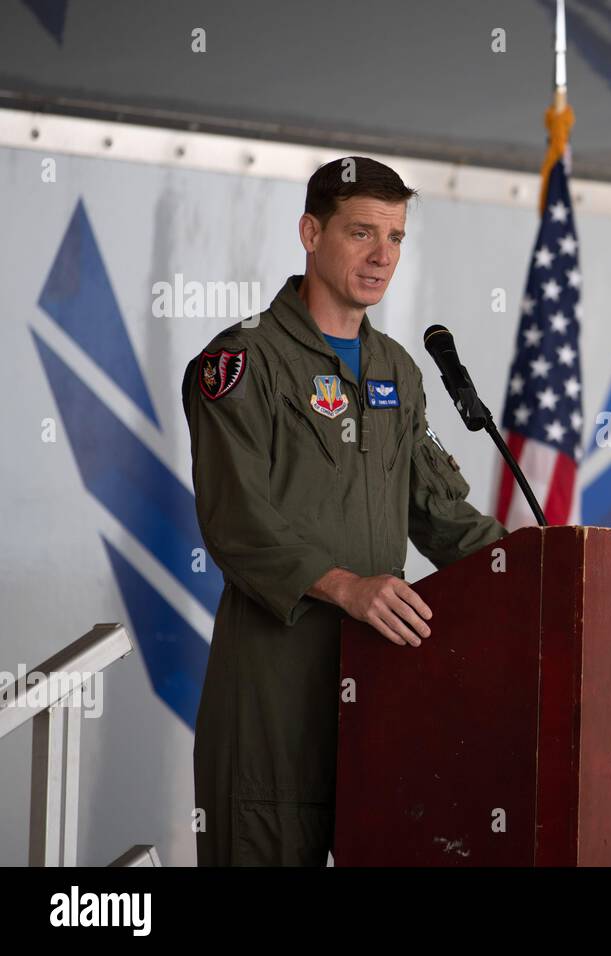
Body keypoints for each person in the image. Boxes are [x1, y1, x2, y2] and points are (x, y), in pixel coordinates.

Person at [181, 156, 507, 865]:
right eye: (362, 232)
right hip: (272, 698)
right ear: (310, 233)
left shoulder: (398, 370)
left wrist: (543, 565)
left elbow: (439, 513)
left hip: (380, 697)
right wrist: (347, 587)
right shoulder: (243, 362)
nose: (382, 255)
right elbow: (236, 523)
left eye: (395, 237)